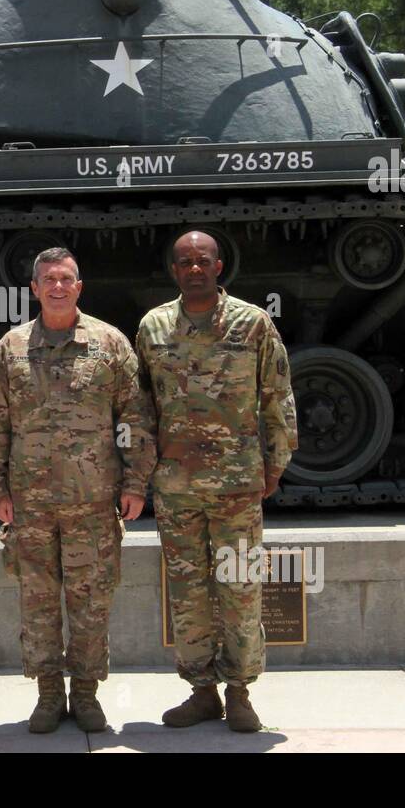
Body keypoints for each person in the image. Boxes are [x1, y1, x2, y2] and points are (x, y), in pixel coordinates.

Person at [0, 247, 154, 734]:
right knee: (38, 605)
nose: (58, 286)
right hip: (30, 505)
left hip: (93, 502)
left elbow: (136, 417)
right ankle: (49, 693)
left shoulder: (109, 344)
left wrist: (136, 482)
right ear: (34, 289)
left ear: (79, 287)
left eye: (67, 278)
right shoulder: (11, 348)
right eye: (48, 279)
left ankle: (87, 692)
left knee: (91, 603)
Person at [135, 230, 297, 733]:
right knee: (186, 592)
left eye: (203, 261)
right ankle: (201, 690)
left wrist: (275, 465)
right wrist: (140, 474)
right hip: (176, 486)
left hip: (236, 485)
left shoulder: (252, 324)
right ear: (174, 270)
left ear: (219, 266)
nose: (195, 269)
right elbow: (141, 407)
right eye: (185, 262)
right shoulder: (154, 326)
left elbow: (277, 396)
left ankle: (241, 690)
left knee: (239, 586)